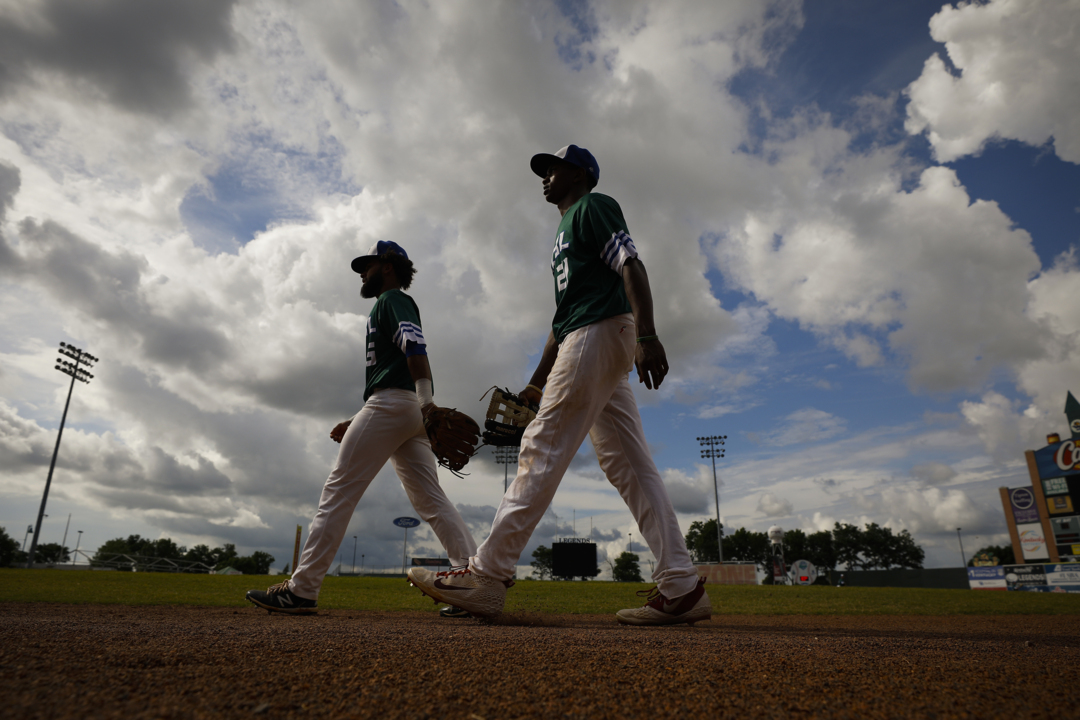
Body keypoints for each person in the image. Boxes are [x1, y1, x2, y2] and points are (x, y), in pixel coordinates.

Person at [408, 145, 710, 626]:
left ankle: (487, 573)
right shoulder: (563, 231)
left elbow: (631, 264)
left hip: (598, 333)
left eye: (555, 167)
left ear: (581, 173)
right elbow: (560, 319)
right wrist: (534, 383)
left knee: (543, 444)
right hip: (588, 334)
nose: (545, 175)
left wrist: (649, 333)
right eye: (543, 170)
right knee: (630, 465)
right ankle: (681, 583)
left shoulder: (594, 206)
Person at [246, 241, 477, 615]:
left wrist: (427, 401)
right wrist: (374, 415)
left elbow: (415, 348)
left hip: (395, 406)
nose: (361, 272)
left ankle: (302, 589)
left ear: (388, 267)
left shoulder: (390, 301)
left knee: (338, 491)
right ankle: (471, 582)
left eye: (367, 265)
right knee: (431, 499)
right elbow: (397, 372)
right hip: (404, 409)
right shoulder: (388, 305)